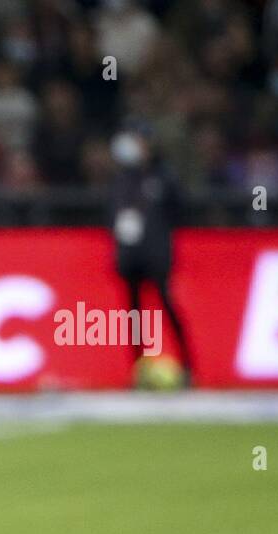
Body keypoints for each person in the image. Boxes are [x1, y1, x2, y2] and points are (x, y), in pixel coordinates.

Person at [109, 126, 193, 387]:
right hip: (130, 256)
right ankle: (139, 369)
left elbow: (180, 211)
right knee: (134, 314)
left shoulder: (164, 177)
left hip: (156, 254)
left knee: (166, 306)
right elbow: (111, 213)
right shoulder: (123, 179)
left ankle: (187, 365)